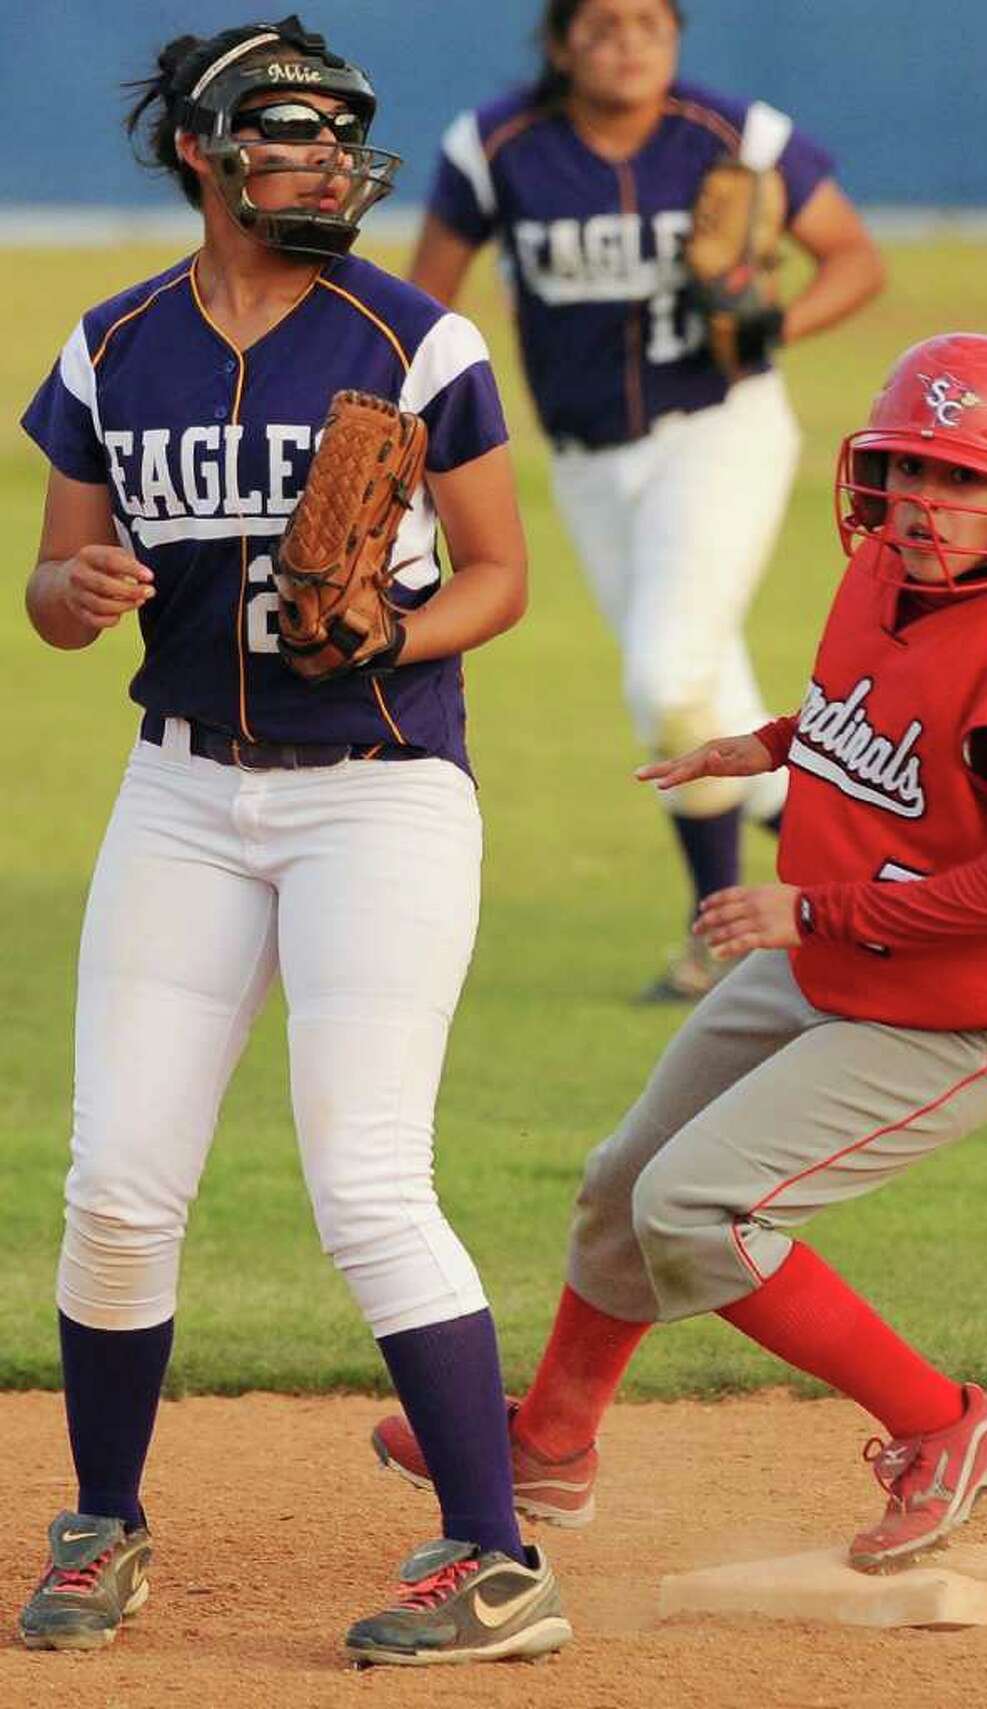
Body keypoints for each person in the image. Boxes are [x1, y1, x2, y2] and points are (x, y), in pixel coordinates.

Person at [372, 331, 987, 1569]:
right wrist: (768, 744)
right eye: (908, 466)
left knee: (696, 1208)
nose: (922, 500)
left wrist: (809, 911)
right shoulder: (884, 572)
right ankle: (552, 1444)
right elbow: (877, 712)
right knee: (620, 1182)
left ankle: (948, 1423)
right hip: (834, 960)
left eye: (962, 478)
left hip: (958, 1014)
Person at [17, 14, 571, 1666]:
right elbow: (54, 590)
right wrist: (80, 590)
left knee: (365, 1178)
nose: (331, 157)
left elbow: (498, 576)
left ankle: (498, 1554)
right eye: (292, 130)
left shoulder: (414, 341)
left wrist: (385, 636)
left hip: (379, 792)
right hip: (181, 791)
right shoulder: (109, 347)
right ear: (201, 148)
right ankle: (104, 1518)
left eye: (344, 132)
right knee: (117, 1180)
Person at [411, 0, 885, 999]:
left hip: (720, 429)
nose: (629, 43)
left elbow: (857, 259)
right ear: (559, 42)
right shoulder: (496, 146)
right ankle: (857, 869)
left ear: (676, 39)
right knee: (703, 697)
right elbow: (426, 308)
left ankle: (774, 909)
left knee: (667, 679)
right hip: (589, 462)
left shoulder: (732, 133)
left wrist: (769, 325)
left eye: (650, 23)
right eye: (605, 24)